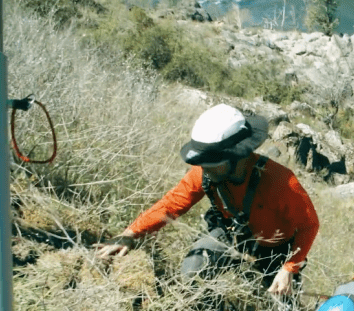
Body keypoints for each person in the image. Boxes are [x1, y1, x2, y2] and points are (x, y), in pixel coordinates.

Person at [96, 103, 319, 295]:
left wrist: (289, 269)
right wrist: (131, 233)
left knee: (278, 304)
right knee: (193, 270)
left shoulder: (280, 181)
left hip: (276, 249)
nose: (204, 169)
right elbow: (171, 205)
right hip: (231, 235)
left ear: (236, 155)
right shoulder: (204, 172)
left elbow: (309, 225)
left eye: (212, 164)